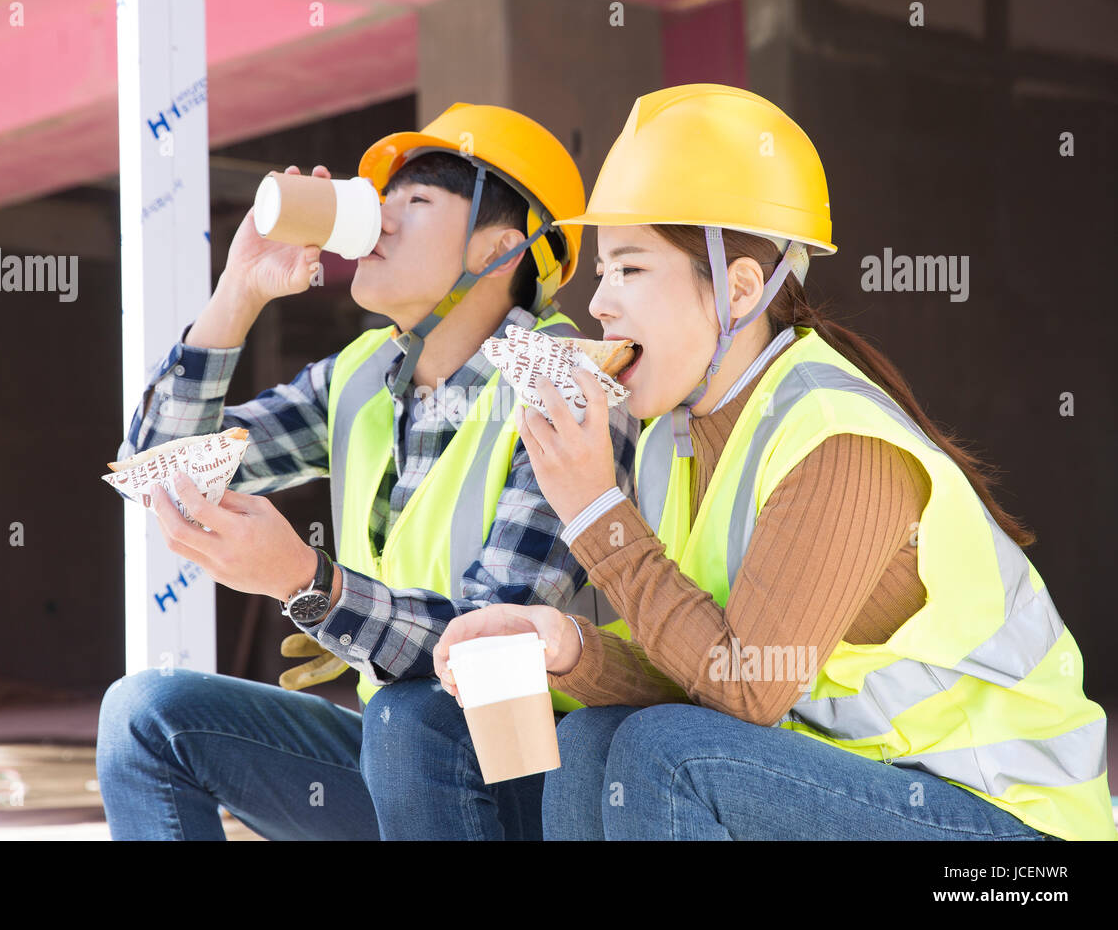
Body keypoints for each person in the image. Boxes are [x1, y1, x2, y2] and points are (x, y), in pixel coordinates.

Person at [433, 84, 1114, 841]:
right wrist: (567, 647)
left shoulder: (834, 437)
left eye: (629, 270)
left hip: (1015, 844)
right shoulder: (673, 440)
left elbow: (746, 689)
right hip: (864, 792)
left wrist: (595, 512)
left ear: (739, 288)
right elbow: (701, 675)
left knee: (667, 754)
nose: (598, 303)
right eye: (602, 273)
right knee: (598, 739)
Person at [95, 102, 639, 840]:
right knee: (147, 715)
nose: (379, 220)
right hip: (405, 758)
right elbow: (159, 471)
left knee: (411, 713)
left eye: (416, 201)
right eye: (381, 200)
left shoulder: (569, 385)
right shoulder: (359, 376)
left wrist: (309, 584)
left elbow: (494, 649)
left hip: (540, 779)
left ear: (503, 249)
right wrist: (237, 294)